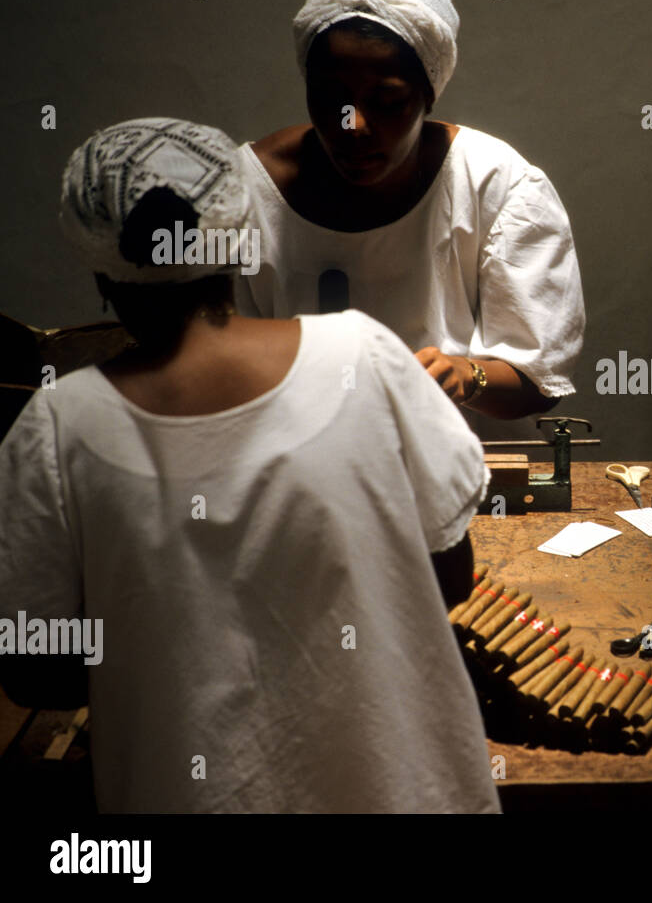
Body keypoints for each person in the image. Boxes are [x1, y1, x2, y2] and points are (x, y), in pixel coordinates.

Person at [0, 118, 500, 813]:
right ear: (238, 241)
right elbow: (450, 573)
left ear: (101, 274)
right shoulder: (366, 355)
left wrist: (162, 629)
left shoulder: (57, 426)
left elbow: (34, 669)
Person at [237, 0, 585, 426]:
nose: (353, 125)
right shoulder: (241, 195)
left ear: (428, 94)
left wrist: (466, 375)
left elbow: (538, 380)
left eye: (386, 101)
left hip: (447, 472)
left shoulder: (497, 186)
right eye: (330, 97)